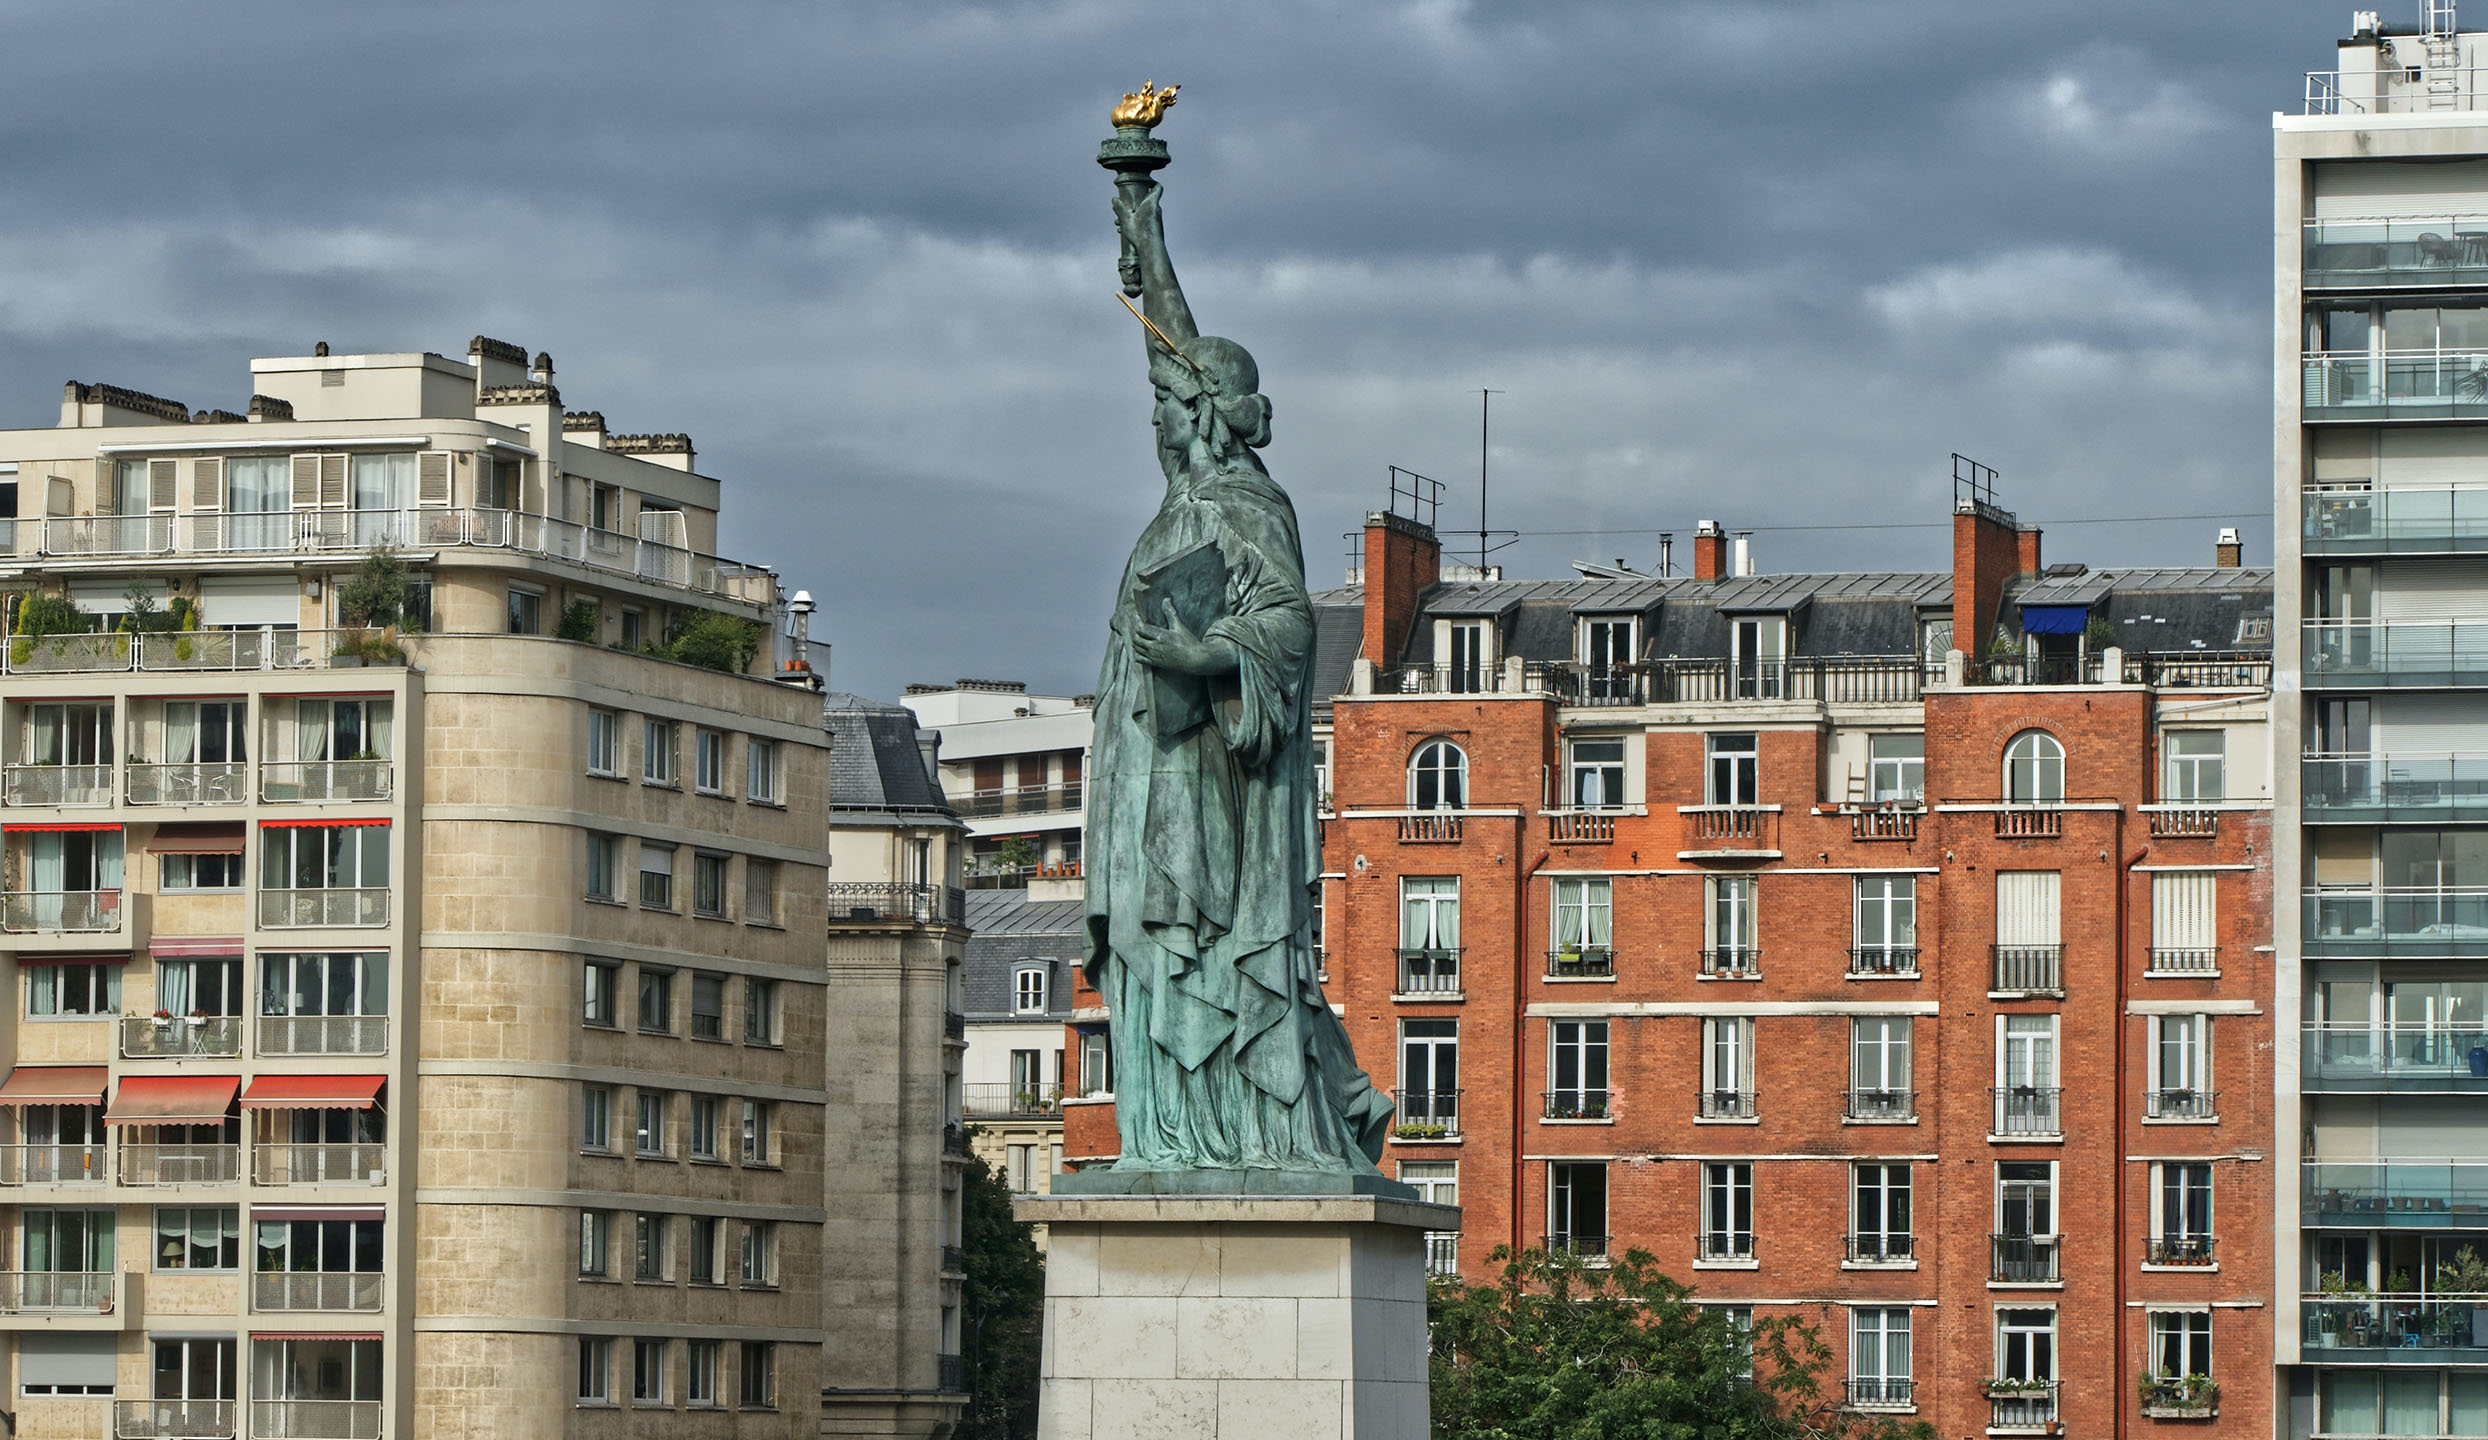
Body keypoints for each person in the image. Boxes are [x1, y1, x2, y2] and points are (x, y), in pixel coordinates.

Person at [1080, 176, 1391, 1175]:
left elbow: (1288, 625)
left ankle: (1237, 1130)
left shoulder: (1245, 504)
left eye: (1170, 408)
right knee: (1147, 938)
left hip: (1203, 770)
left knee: (1189, 941)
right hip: (1150, 759)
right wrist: (1141, 224)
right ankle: (1176, 1135)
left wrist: (1198, 657)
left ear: (1206, 415)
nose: (1156, 422)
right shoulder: (1195, 490)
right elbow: (1168, 348)